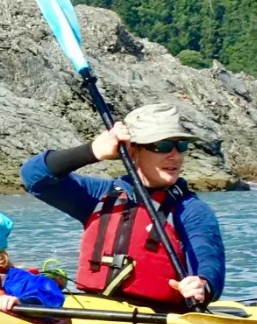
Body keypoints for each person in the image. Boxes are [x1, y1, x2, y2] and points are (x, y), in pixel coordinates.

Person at [19, 102, 225, 309]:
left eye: (181, 146)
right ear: (132, 150)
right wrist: (92, 151)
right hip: (94, 308)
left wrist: (202, 284)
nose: (175, 156)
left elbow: (209, 262)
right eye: (162, 146)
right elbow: (33, 176)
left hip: (158, 316)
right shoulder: (99, 195)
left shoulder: (190, 210)